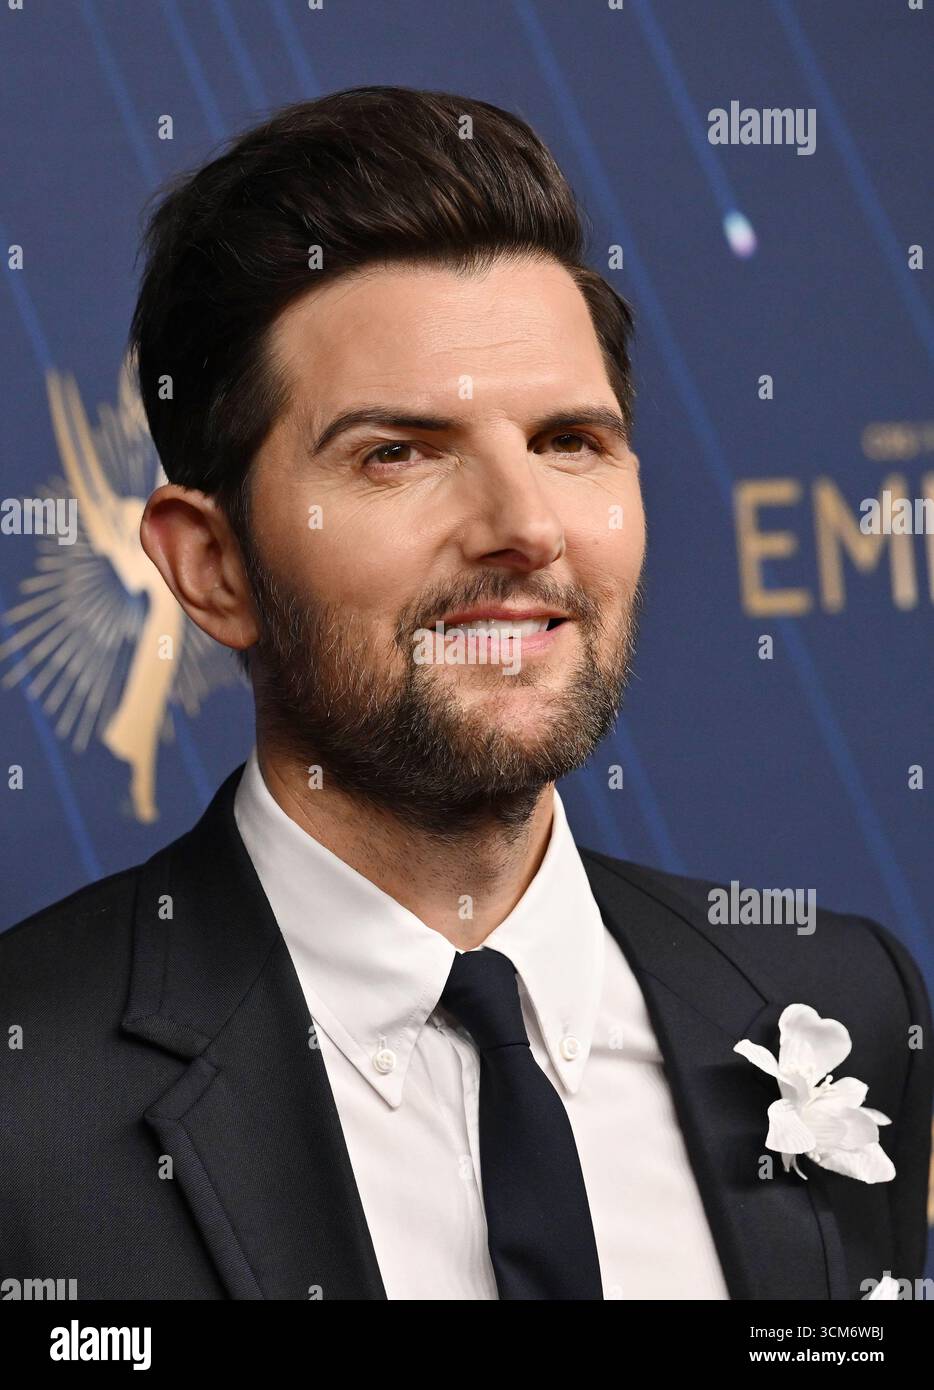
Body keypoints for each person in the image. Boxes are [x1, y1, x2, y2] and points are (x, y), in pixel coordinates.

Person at [1, 87, 930, 1301]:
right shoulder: (28, 1103)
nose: (525, 527)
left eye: (568, 441)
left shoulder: (839, 997)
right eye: (397, 453)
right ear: (212, 567)